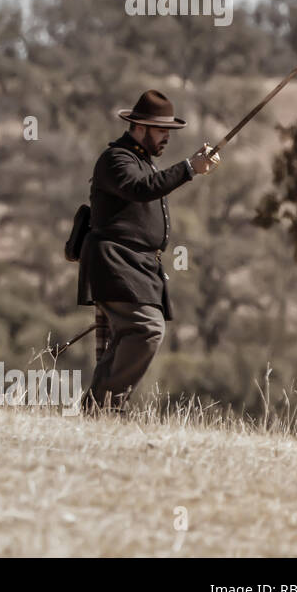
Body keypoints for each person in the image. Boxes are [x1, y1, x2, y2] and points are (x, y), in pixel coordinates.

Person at [78, 89, 219, 411]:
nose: (167, 137)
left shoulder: (141, 161)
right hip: (115, 262)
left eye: (169, 131)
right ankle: (103, 405)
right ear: (139, 126)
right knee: (147, 328)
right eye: (161, 130)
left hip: (136, 265)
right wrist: (189, 168)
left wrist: (191, 167)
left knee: (129, 335)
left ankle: (101, 408)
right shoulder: (116, 159)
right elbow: (141, 190)